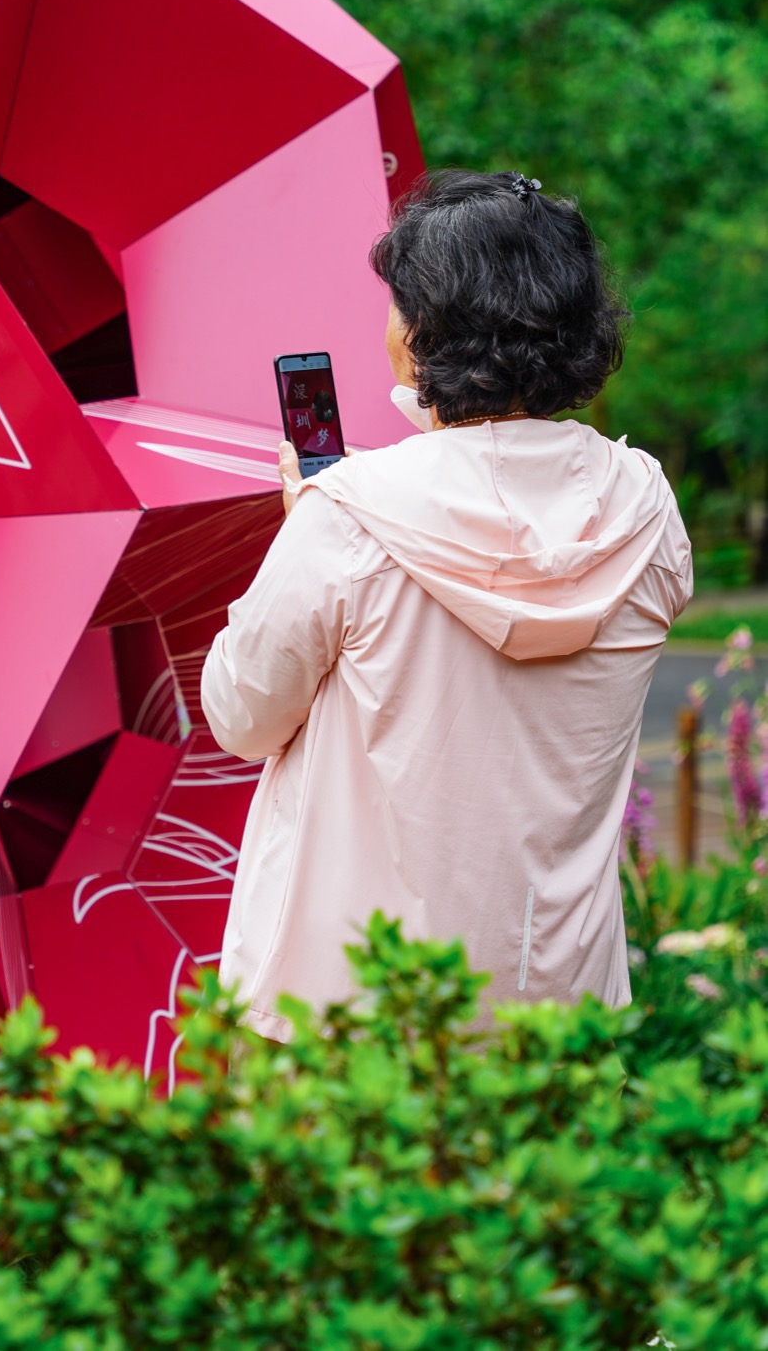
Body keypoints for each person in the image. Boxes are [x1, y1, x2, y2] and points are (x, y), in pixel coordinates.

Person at [201, 169, 691, 1039]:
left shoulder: (349, 514)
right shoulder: (647, 509)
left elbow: (240, 716)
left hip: (349, 1016)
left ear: (425, 329)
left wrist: (306, 524)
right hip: (560, 1014)